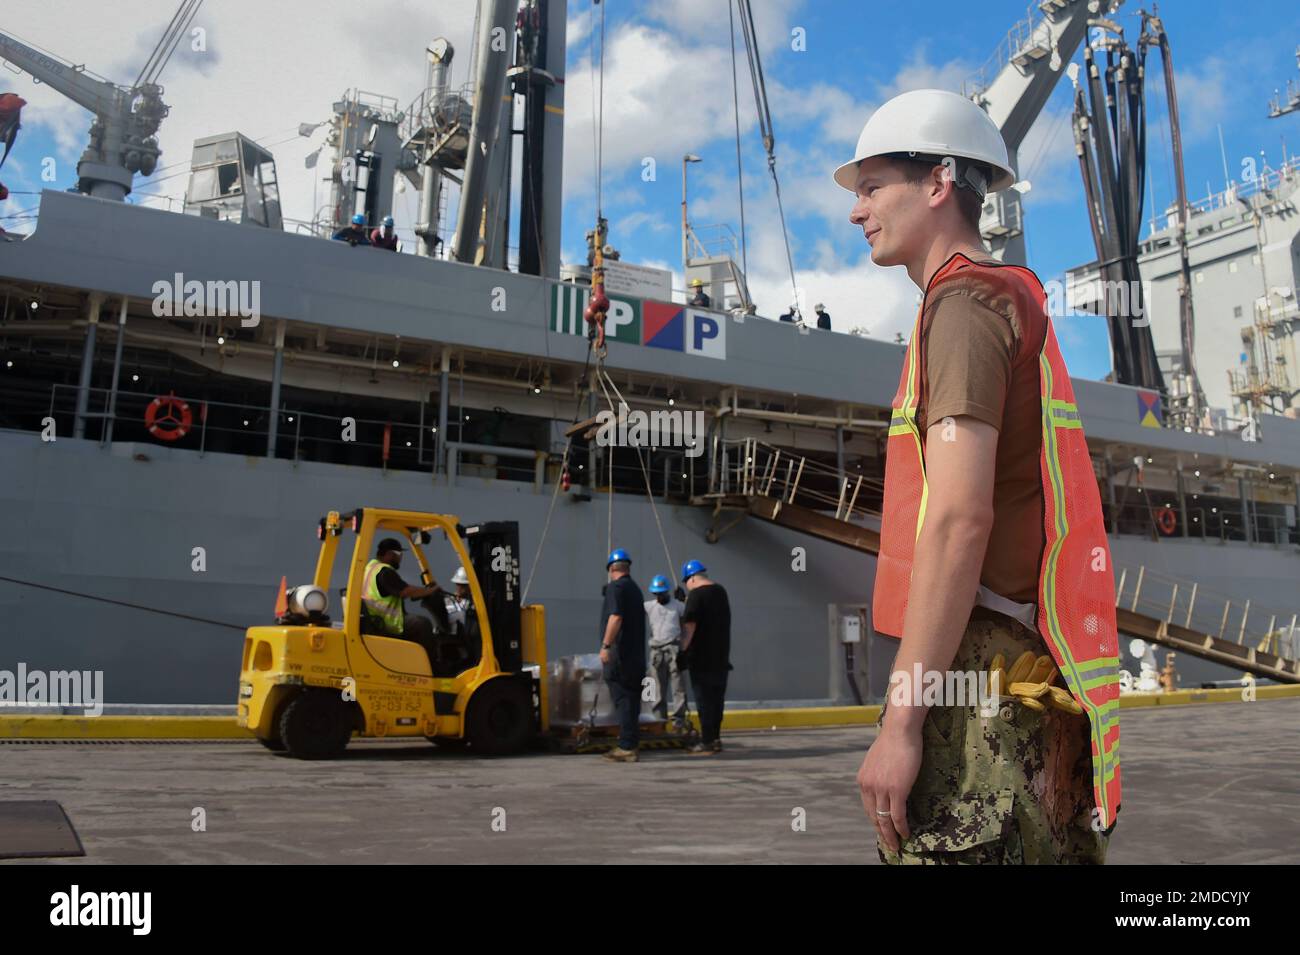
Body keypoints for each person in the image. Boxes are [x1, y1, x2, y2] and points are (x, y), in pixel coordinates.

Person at [835, 88, 1120, 864]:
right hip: (1023, 664)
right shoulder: (1002, 299)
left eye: (871, 187)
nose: (856, 211)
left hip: (981, 673)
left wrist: (900, 720)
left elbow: (959, 518)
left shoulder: (960, 306)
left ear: (938, 183)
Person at [360, 538, 441, 668]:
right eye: (399, 555)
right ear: (390, 554)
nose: (400, 559)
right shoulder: (385, 572)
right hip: (387, 622)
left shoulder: (368, 569)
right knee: (422, 624)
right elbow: (406, 591)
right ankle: (432, 666)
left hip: (375, 619)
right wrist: (430, 591)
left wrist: (423, 591)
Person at [598, 549, 647, 762]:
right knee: (633, 700)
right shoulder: (635, 589)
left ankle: (626, 747)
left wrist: (606, 645)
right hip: (636, 656)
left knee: (623, 699)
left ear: (611, 569)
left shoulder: (615, 588)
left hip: (621, 656)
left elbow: (616, 617)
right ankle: (631, 742)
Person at [678, 559, 731, 756]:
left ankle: (707, 742)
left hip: (701, 658)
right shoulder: (720, 592)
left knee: (704, 700)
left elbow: (690, 626)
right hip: (721, 657)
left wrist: (682, 650)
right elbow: (709, 614)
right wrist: (685, 601)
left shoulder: (696, 595)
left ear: (691, 579)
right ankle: (716, 738)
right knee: (717, 701)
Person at [644, 575, 687, 730]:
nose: (659, 596)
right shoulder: (648, 606)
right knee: (653, 688)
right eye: (656, 594)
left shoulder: (679, 606)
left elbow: (687, 624)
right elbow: (630, 610)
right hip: (656, 651)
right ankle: (656, 721)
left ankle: (679, 722)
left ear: (667, 591)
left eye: (661, 593)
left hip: (674, 649)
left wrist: (684, 600)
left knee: (678, 688)